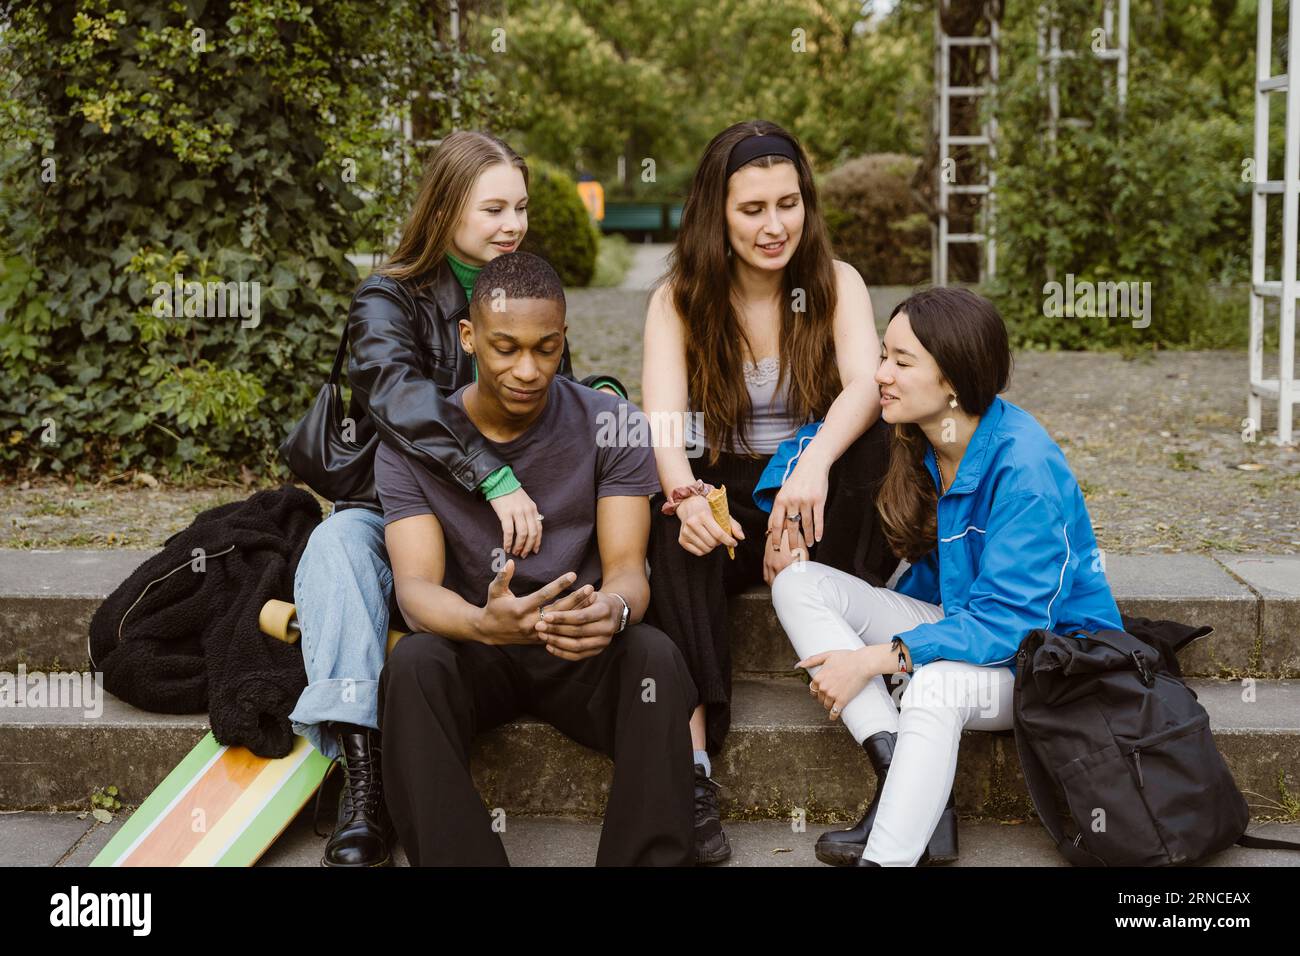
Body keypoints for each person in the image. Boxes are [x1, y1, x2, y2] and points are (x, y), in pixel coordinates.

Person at [287, 131, 626, 867]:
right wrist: (492, 475)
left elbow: (557, 393)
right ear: (446, 209)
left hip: (505, 528)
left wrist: (603, 407)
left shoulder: (527, 283)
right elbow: (397, 396)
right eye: (494, 208)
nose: (514, 225)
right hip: (408, 506)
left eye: (522, 208)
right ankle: (364, 779)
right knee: (335, 546)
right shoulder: (389, 297)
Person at [771, 286, 1124, 867]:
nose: (880, 374)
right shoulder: (924, 437)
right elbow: (808, 441)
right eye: (883, 353)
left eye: (901, 362)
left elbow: (1011, 627)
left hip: (1045, 663)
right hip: (968, 628)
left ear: (954, 378)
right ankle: (897, 776)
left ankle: (885, 858)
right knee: (799, 583)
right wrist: (785, 506)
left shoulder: (1024, 470)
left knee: (932, 687)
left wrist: (880, 657)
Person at [374, 251, 697, 866]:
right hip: (478, 647)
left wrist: (616, 610)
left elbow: (628, 568)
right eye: (505, 348)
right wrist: (479, 624)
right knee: (413, 667)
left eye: (545, 349)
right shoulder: (415, 443)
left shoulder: (611, 424)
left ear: (564, 339)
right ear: (468, 338)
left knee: (656, 657)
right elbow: (416, 589)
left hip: (578, 647)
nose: (527, 369)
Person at [640, 119, 901, 863]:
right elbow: (662, 418)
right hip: (724, 484)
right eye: (752, 209)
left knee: (875, 445)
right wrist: (686, 496)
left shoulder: (835, 282)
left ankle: (837, 609)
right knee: (668, 517)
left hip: (813, 491)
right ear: (715, 214)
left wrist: (811, 463)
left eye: (788, 204)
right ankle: (692, 773)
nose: (774, 225)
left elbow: (863, 386)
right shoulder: (681, 298)